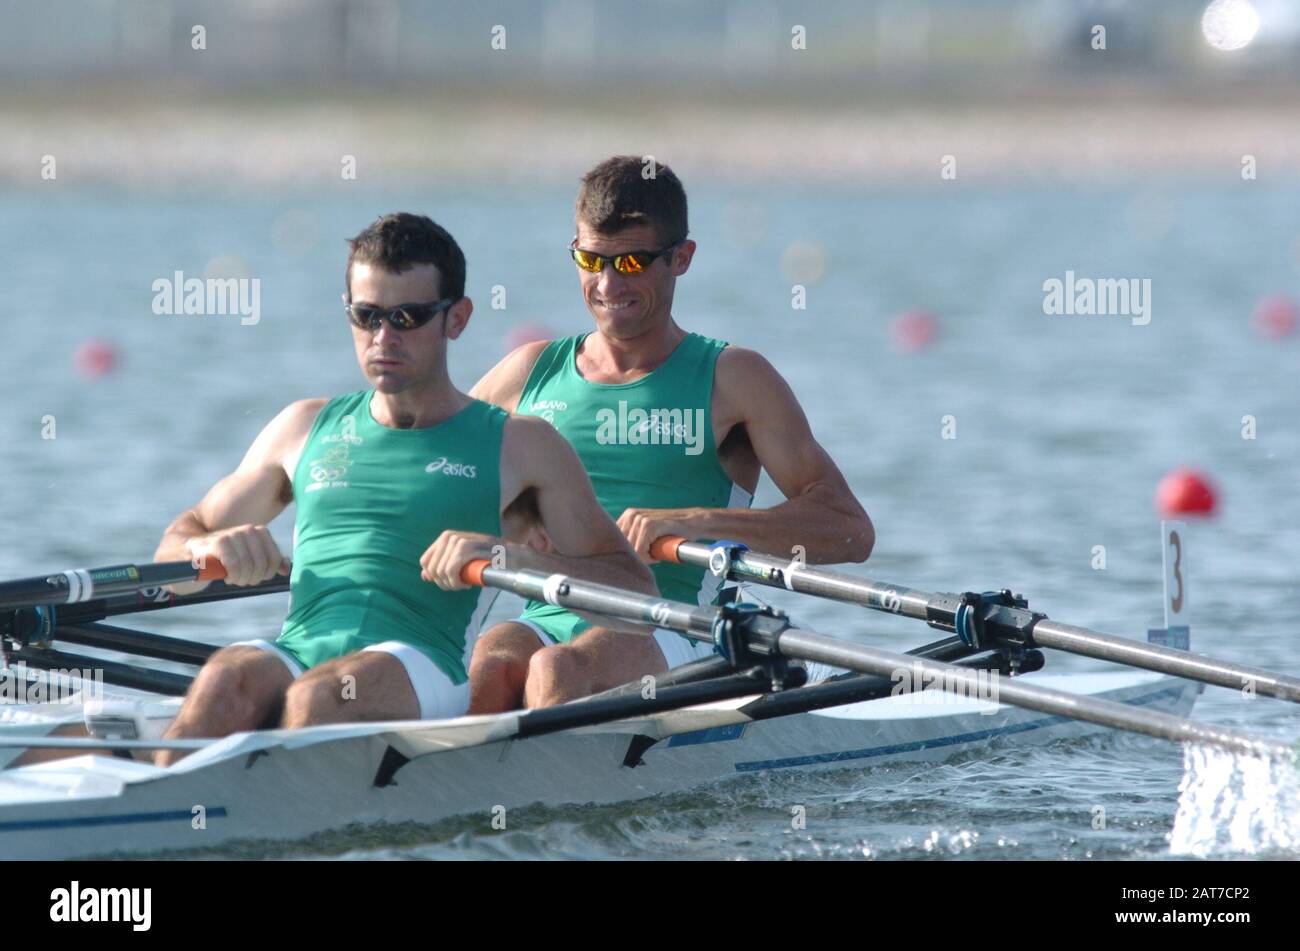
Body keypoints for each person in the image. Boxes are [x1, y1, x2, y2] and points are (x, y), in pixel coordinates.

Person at [152, 212, 653, 766]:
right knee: (223, 679)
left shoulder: (521, 446)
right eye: (366, 316)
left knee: (321, 697)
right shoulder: (300, 428)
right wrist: (206, 549)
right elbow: (176, 542)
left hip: (422, 666)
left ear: (457, 319)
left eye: (407, 317)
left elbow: (635, 595)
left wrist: (508, 557)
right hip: (300, 651)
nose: (383, 338)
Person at [469, 156, 873, 713]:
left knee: (556, 667)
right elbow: (428, 475)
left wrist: (695, 524)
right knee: (490, 661)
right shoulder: (528, 373)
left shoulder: (733, 378)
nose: (608, 283)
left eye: (632, 261)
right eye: (591, 259)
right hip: (547, 611)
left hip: (674, 628)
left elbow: (849, 530)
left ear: (681, 259)